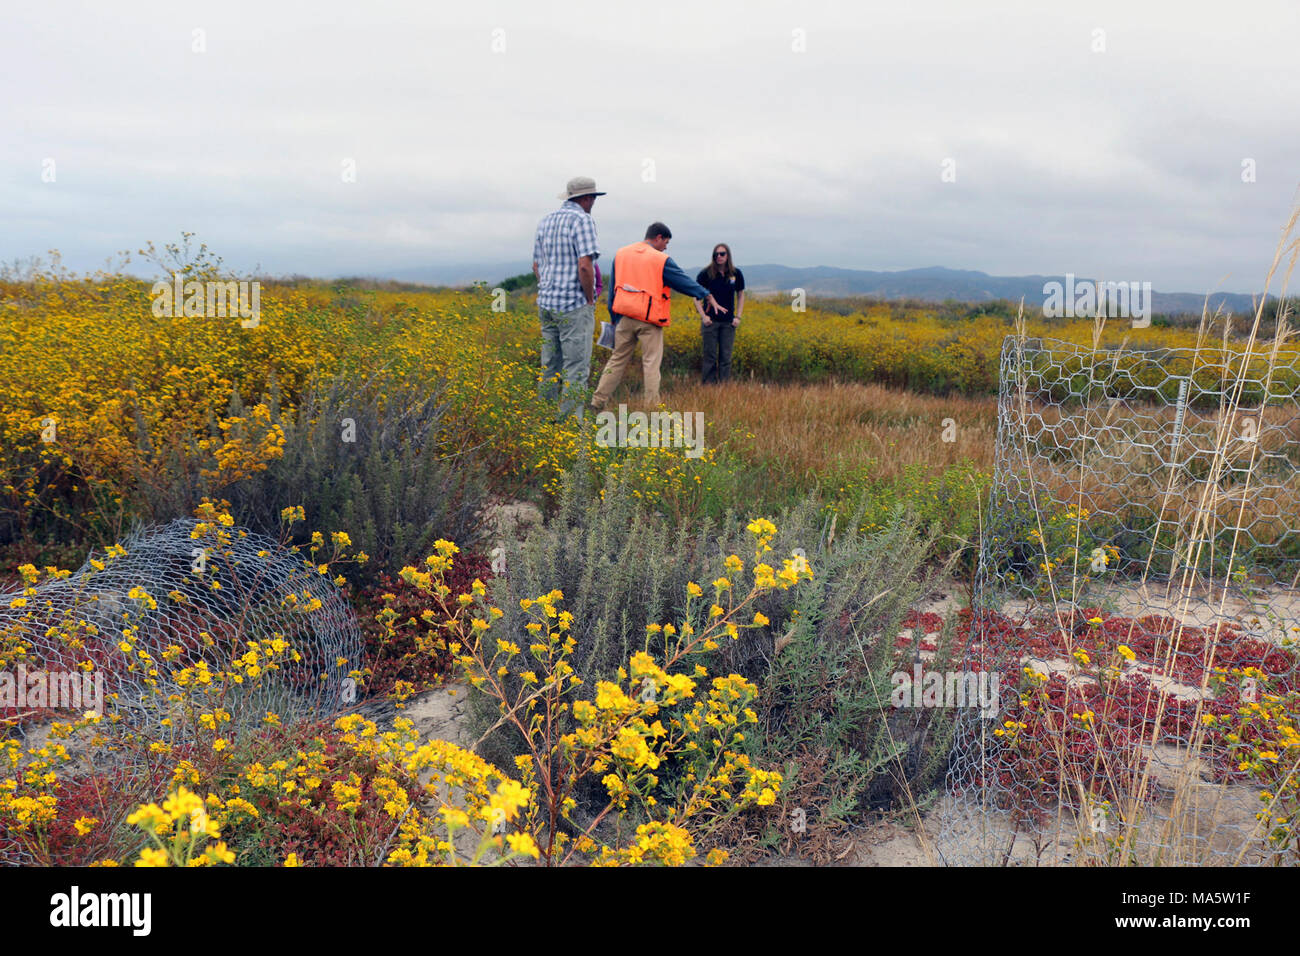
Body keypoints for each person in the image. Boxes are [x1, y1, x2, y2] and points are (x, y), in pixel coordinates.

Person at [591, 223, 724, 409]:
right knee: (651, 364)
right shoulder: (660, 259)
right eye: (666, 242)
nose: (666, 247)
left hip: (624, 317)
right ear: (658, 237)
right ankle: (651, 408)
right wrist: (706, 294)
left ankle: (597, 403)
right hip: (649, 320)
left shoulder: (621, 254)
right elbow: (682, 281)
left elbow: (613, 288)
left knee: (616, 361)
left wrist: (615, 318)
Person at [533, 176, 605, 419]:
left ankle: (544, 421)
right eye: (593, 197)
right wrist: (589, 299)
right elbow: (585, 265)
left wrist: (546, 287)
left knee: (550, 365)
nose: (594, 202)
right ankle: (569, 429)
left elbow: (536, 265)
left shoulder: (546, 221)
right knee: (576, 368)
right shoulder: (583, 221)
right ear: (586, 198)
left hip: (547, 303)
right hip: (573, 304)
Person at [696, 243, 744, 383]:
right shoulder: (706, 274)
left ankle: (724, 388)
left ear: (727, 255)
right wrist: (703, 316)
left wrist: (738, 317)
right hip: (710, 322)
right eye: (716, 254)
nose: (719, 257)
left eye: (722, 254)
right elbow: (696, 296)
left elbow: (740, 295)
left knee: (726, 357)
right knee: (709, 357)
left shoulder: (735, 274)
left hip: (728, 322)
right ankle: (708, 388)